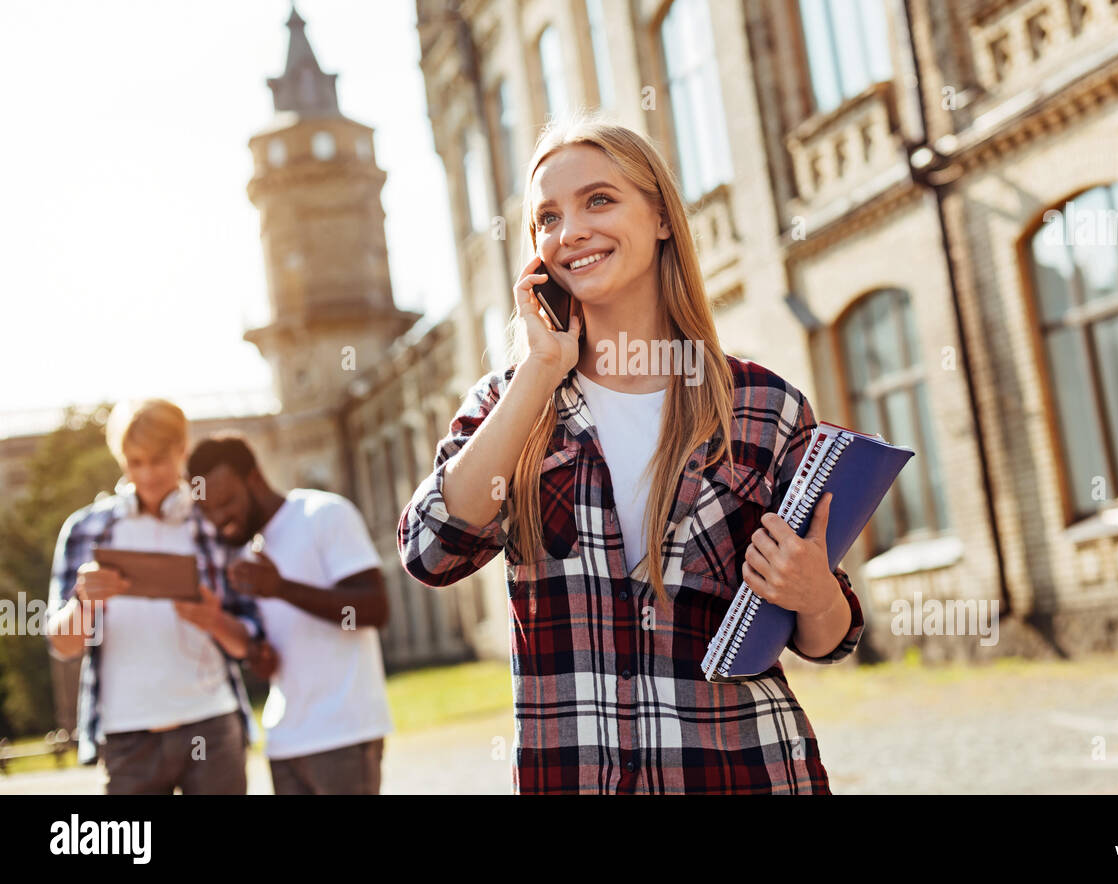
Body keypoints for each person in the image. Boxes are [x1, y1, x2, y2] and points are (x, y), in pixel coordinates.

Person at [398, 112, 865, 794]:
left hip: (747, 774)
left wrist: (815, 592)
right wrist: (540, 369)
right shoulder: (512, 405)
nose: (571, 231)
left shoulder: (763, 406)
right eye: (547, 218)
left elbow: (828, 636)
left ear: (661, 218)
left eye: (599, 200)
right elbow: (431, 550)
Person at [44, 398, 262, 794]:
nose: (146, 475)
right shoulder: (84, 529)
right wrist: (84, 602)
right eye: (134, 461)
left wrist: (214, 619)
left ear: (182, 451)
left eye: (158, 460)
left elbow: (251, 642)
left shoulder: (212, 523)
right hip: (127, 737)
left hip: (211, 726)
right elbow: (63, 644)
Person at [187, 434, 393, 794]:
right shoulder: (243, 552)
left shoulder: (324, 514)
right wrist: (259, 658)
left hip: (344, 734)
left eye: (227, 502)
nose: (220, 520)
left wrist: (282, 588)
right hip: (284, 741)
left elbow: (375, 608)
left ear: (254, 477)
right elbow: (272, 654)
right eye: (209, 511)